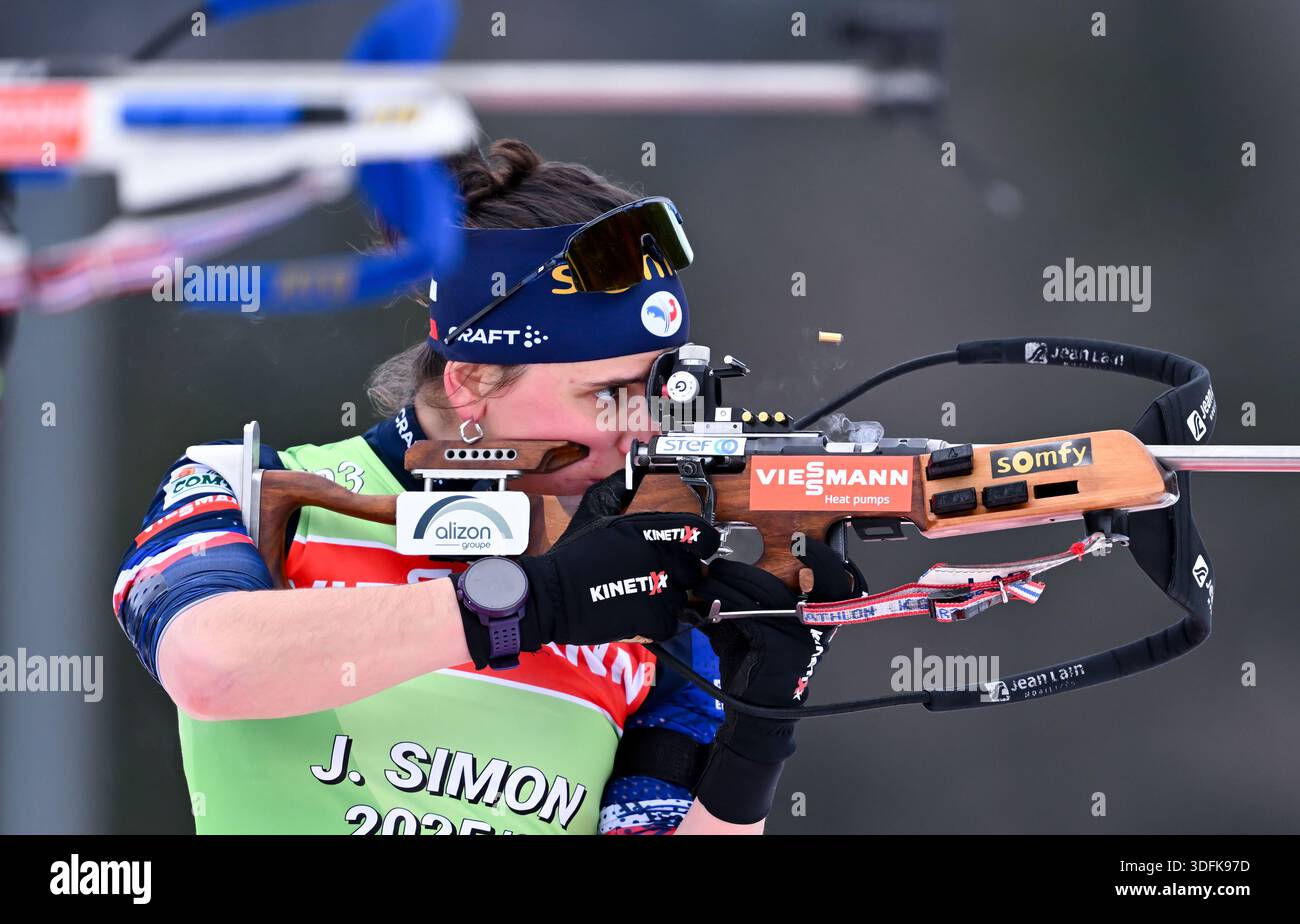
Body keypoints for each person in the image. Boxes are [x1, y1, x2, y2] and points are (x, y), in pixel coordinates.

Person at [112, 138, 859, 835]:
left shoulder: (653, 586)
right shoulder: (242, 486)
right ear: (470, 380)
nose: (646, 425)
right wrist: (532, 602)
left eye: (661, 392)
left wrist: (759, 727)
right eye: (607, 393)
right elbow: (209, 666)